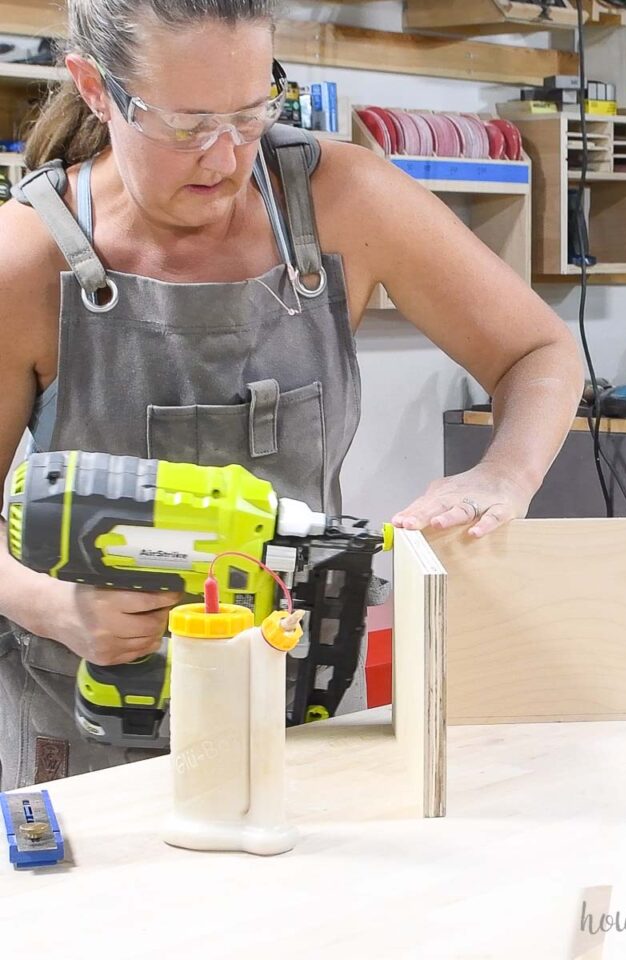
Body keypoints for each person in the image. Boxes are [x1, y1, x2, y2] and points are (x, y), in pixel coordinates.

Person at [0, 0, 582, 790]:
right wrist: (54, 605)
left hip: (294, 713)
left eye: (249, 112)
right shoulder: (26, 257)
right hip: (82, 739)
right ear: (96, 89)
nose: (224, 156)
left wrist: (501, 475)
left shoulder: (345, 199)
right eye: (185, 124)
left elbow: (538, 350)